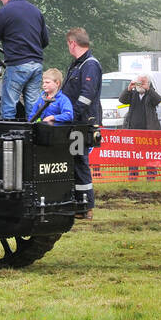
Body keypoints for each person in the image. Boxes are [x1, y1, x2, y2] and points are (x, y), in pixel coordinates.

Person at [62, 27, 102, 218]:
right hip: (74, 122)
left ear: (72, 43)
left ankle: (86, 206)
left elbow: (87, 95)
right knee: (74, 160)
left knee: (79, 160)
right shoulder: (78, 64)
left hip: (81, 123)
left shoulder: (90, 65)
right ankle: (79, 203)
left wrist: (71, 113)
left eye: (67, 45)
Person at [119, 74, 161, 180]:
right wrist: (128, 89)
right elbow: (122, 99)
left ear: (148, 83)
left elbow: (158, 100)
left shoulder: (151, 94)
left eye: (143, 82)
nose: (141, 85)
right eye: (139, 82)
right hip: (133, 131)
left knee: (150, 154)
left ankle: (151, 176)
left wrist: (148, 89)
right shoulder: (133, 94)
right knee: (134, 155)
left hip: (148, 130)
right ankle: (133, 176)